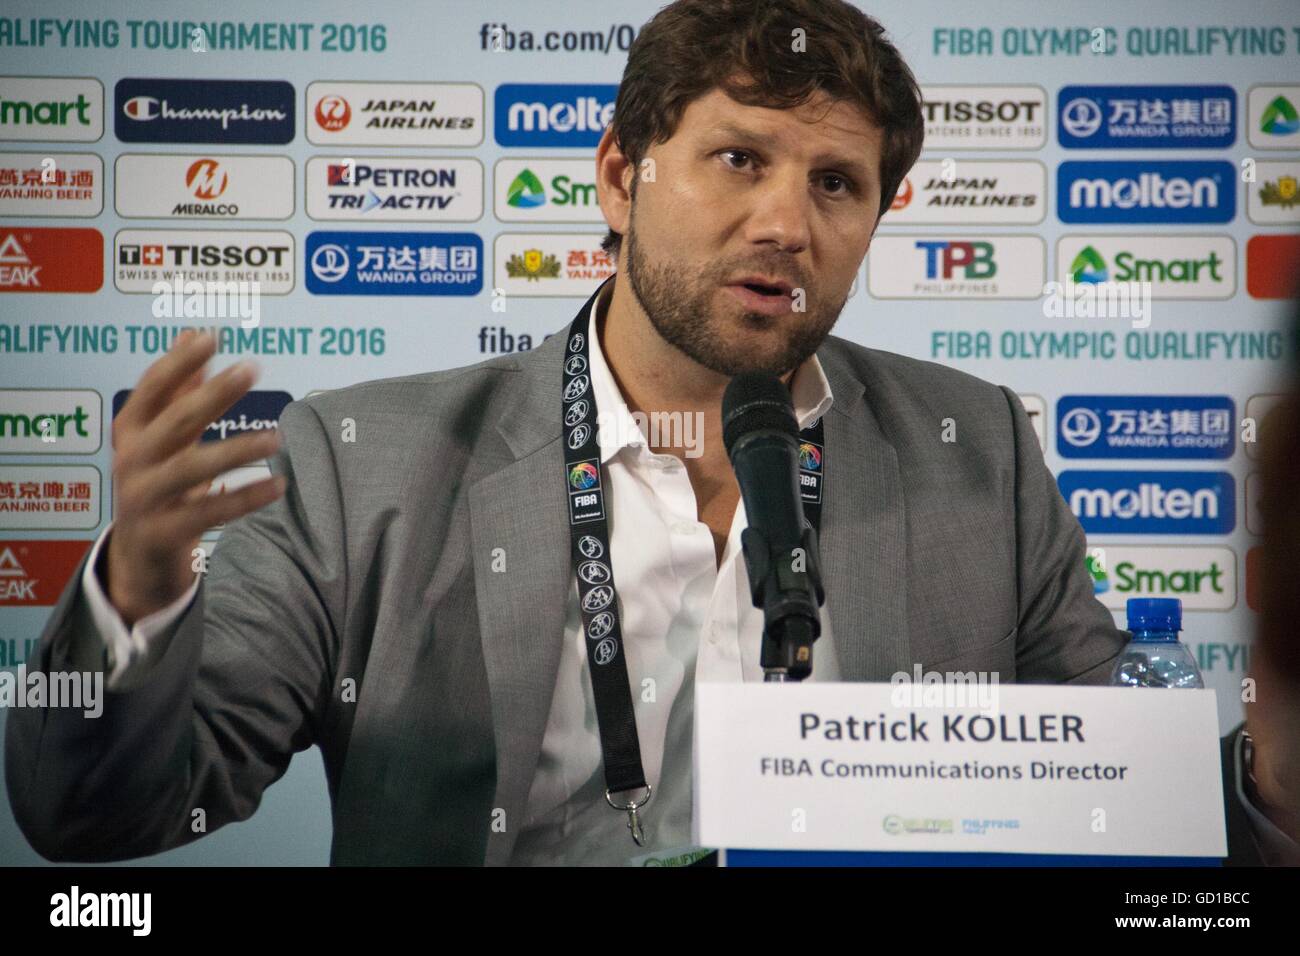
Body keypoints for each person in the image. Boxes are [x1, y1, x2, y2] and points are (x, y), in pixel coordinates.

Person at [6, 0, 1297, 866]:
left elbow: (1121, 824)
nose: (789, 223)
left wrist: (1273, 775)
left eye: (836, 184)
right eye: (741, 160)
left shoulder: (983, 454)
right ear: (621, 176)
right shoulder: (364, 468)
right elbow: (91, 815)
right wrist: (136, 598)